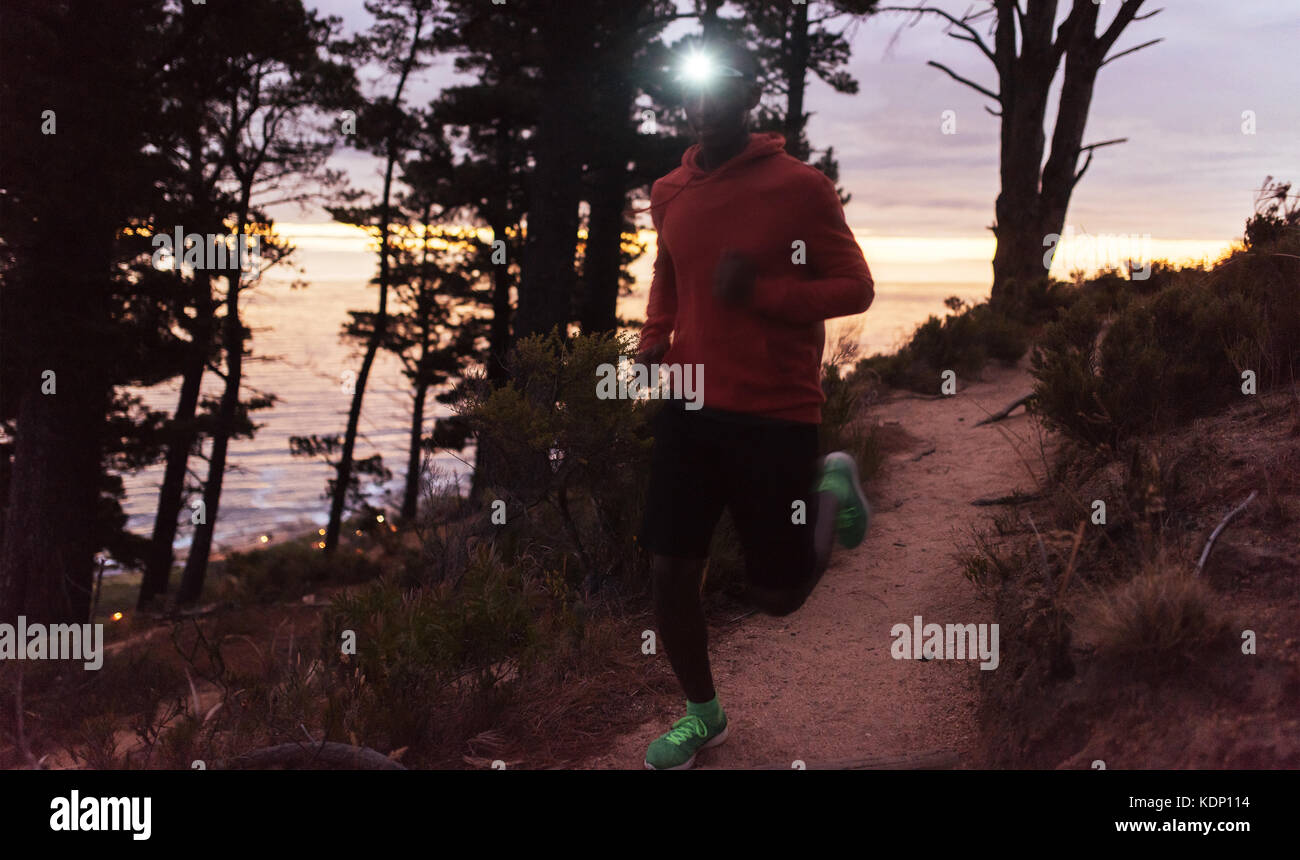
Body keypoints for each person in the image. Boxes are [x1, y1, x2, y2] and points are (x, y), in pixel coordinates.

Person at [635, 38, 876, 770]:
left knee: (776, 596)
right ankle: (703, 717)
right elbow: (669, 274)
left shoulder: (800, 186)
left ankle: (832, 481)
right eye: (693, 94)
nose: (705, 108)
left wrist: (762, 295)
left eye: (720, 92)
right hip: (690, 401)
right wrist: (653, 340)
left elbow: (854, 288)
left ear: (749, 97)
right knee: (669, 570)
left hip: (775, 408)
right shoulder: (668, 190)